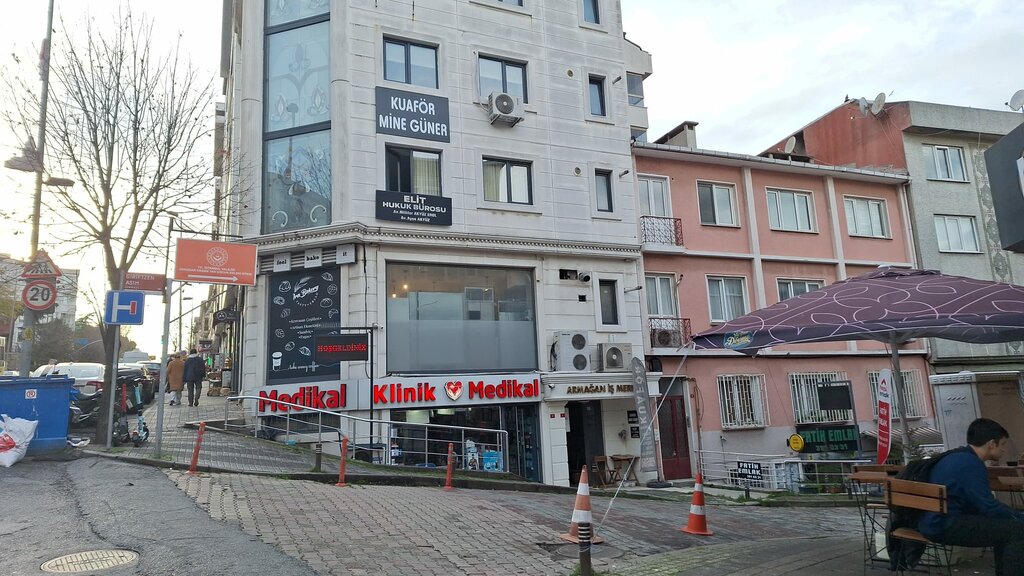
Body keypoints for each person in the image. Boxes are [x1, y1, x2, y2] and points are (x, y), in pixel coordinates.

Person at [919, 418, 1024, 575]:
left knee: (1006, 528)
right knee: (1018, 530)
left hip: (931, 521)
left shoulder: (953, 457)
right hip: (945, 525)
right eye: (1002, 444)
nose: (1003, 450)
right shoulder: (971, 464)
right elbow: (988, 506)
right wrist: (1019, 516)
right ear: (991, 444)